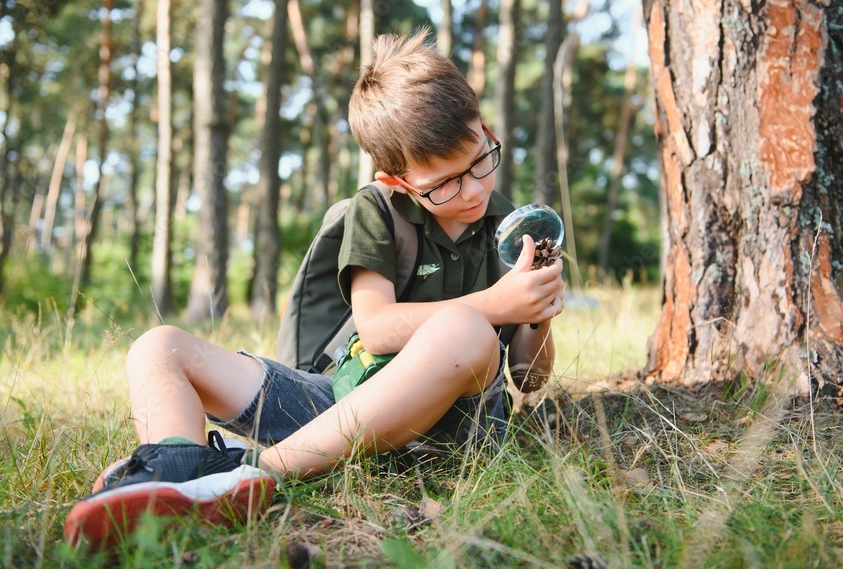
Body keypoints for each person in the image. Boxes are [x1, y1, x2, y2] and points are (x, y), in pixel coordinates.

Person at [64, 28, 565, 550]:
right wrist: (494, 303)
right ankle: (174, 473)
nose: (474, 189)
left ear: (484, 129)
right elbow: (376, 329)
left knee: (466, 331)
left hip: (450, 432)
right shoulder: (378, 210)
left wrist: (536, 311)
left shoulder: (513, 228)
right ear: (395, 181)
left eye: (481, 159)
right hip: (342, 407)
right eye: (444, 184)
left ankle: (250, 474)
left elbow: (529, 379)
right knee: (159, 346)